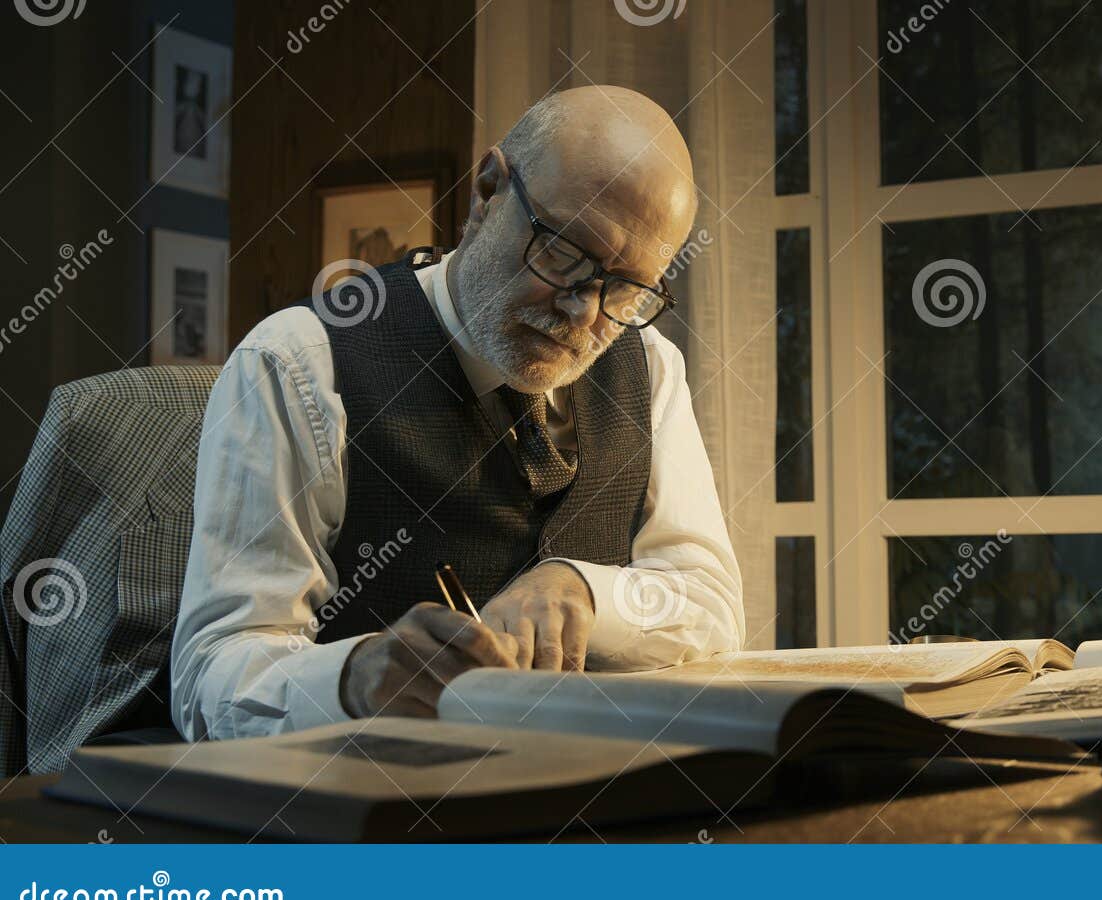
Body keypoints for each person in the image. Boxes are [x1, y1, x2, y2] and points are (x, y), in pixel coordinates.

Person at [170, 85, 743, 740]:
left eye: (629, 288)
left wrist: (585, 590)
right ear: (489, 189)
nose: (585, 311)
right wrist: (353, 679)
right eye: (563, 254)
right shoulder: (299, 364)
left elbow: (710, 601)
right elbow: (210, 675)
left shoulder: (651, 367)